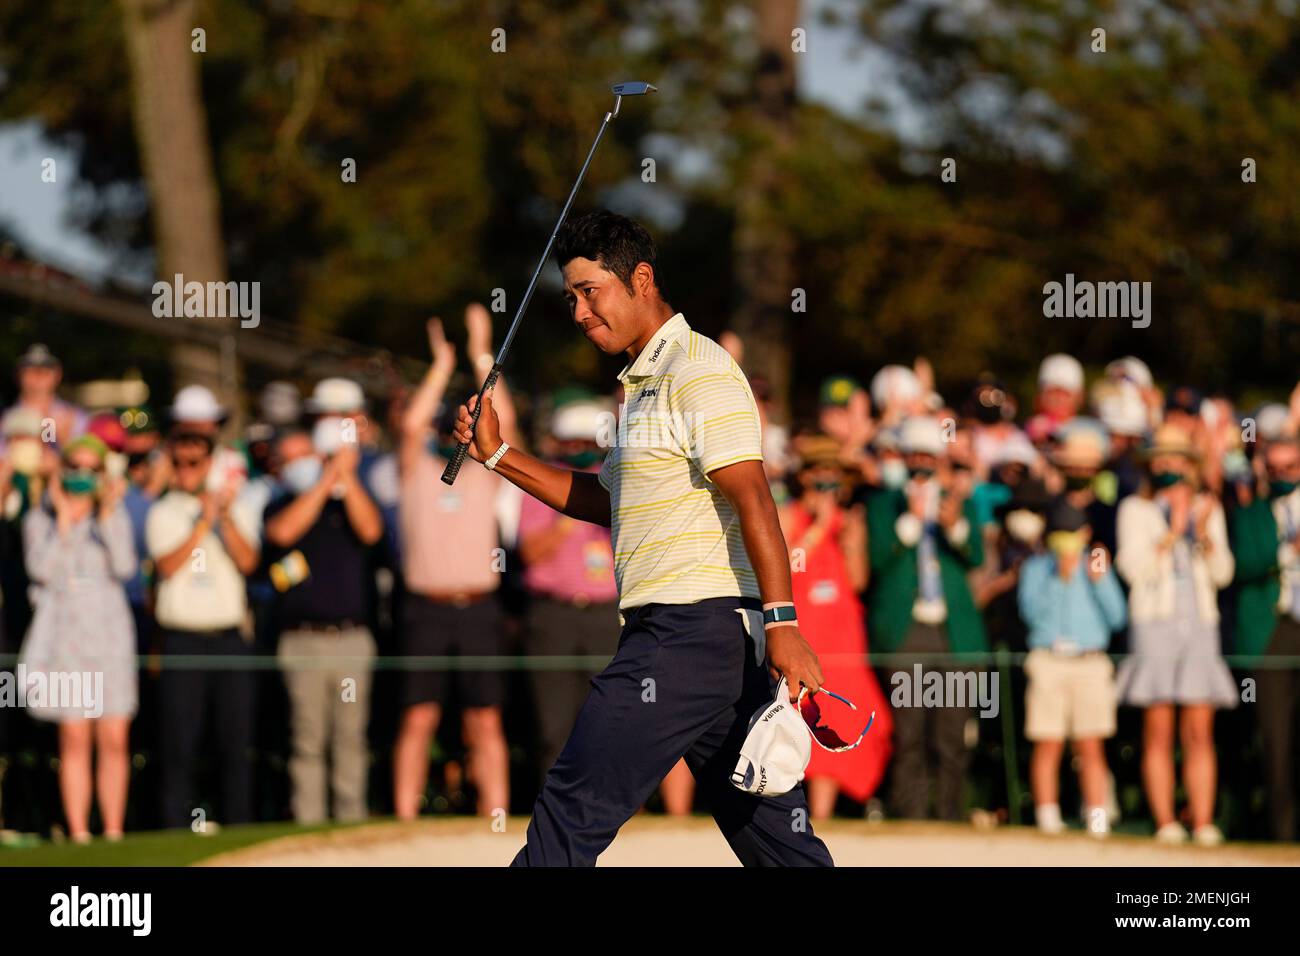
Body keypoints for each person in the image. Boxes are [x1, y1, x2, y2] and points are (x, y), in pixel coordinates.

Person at [453, 209, 832, 866]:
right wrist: (498, 456)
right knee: (776, 844)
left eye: (589, 292)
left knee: (571, 808)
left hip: (689, 636)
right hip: (702, 645)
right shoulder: (641, 385)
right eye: (569, 297)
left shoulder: (699, 371)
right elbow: (606, 501)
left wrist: (785, 622)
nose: (577, 311)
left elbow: (755, 499)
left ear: (642, 279)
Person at [393, 308, 521, 819]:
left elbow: (505, 423)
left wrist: (481, 352)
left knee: (484, 721)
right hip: (426, 608)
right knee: (418, 718)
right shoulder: (417, 469)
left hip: (479, 610)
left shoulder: (486, 472)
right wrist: (443, 364)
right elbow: (408, 425)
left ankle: (496, 815)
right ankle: (405, 818)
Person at [1115, 423, 1236, 845]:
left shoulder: (1209, 507)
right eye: (1161, 459)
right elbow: (1131, 569)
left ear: (1189, 464)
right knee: (1159, 728)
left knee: (1200, 730)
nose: (1169, 466)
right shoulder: (1136, 509)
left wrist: (1200, 533)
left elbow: (1223, 574)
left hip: (1199, 625)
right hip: (1155, 625)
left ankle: (1202, 822)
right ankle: (1165, 821)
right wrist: (1170, 532)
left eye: (1177, 459)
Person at [866, 415, 987, 821]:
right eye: (914, 456)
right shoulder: (884, 503)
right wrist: (911, 521)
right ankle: (910, 819)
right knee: (910, 734)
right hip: (907, 633)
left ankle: (952, 817)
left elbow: (977, 556)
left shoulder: (959, 501)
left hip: (953, 634)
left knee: (951, 738)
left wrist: (954, 527)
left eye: (929, 457)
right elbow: (878, 561)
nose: (921, 464)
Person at [19, 435, 137, 841]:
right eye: (75, 467)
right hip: (64, 637)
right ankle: (79, 832)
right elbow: (41, 571)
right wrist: (64, 523)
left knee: (114, 736)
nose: (82, 477)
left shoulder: (113, 516)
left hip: (109, 636)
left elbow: (125, 566)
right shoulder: (41, 519)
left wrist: (104, 514)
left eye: (92, 469)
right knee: (73, 735)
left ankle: (114, 829)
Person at [264, 424, 383, 823]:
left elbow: (371, 530)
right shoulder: (280, 502)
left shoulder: (346, 504)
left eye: (308, 455)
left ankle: (350, 824)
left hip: (351, 640)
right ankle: (308, 826)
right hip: (302, 642)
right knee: (307, 741)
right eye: (293, 457)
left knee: (350, 738)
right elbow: (283, 533)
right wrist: (326, 479)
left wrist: (344, 477)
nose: (304, 464)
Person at [147, 429, 260, 829]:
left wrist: (223, 518)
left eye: (194, 462)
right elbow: (166, 565)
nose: (185, 471)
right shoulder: (163, 511)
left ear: (209, 464)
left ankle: (239, 831)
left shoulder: (236, 506)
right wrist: (201, 525)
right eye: (178, 463)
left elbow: (249, 562)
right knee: (178, 745)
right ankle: (176, 831)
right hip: (182, 640)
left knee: (234, 744)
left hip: (229, 640)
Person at [779, 435, 893, 819]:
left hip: (843, 641)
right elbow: (784, 567)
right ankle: (792, 813)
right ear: (805, 478)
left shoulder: (850, 521)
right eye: (819, 476)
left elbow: (858, 580)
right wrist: (818, 528)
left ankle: (822, 815)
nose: (826, 484)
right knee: (795, 724)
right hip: (803, 638)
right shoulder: (788, 515)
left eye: (833, 477)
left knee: (841, 720)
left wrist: (848, 539)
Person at [516, 396, 620, 785]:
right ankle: (554, 806)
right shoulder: (543, 481)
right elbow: (529, 551)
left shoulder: (617, 479)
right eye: (571, 443)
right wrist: (572, 511)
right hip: (553, 615)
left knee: (610, 721)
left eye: (586, 444)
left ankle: (609, 805)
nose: (579, 452)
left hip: (605, 614)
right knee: (553, 724)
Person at [1017, 499, 1127, 836]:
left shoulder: (1097, 564)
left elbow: (1118, 617)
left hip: (1089, 663)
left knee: (1090, 745)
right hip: (1048, 661)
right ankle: (1047, 819)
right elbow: (1029, 615)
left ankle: (1096, 819)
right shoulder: (1037, 567)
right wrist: (1057, 580)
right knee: (1048, 742)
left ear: (1085, 534)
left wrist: (1098, 581)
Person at [1231, 437, 1300, 840]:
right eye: (1273, 469)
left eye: (1290, 468)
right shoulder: (1251, 515)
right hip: (1271, 632)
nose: (1282, 476)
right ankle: (1281, 833)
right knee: (1274, 737)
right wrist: (1286, 550)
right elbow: (1242, 566)